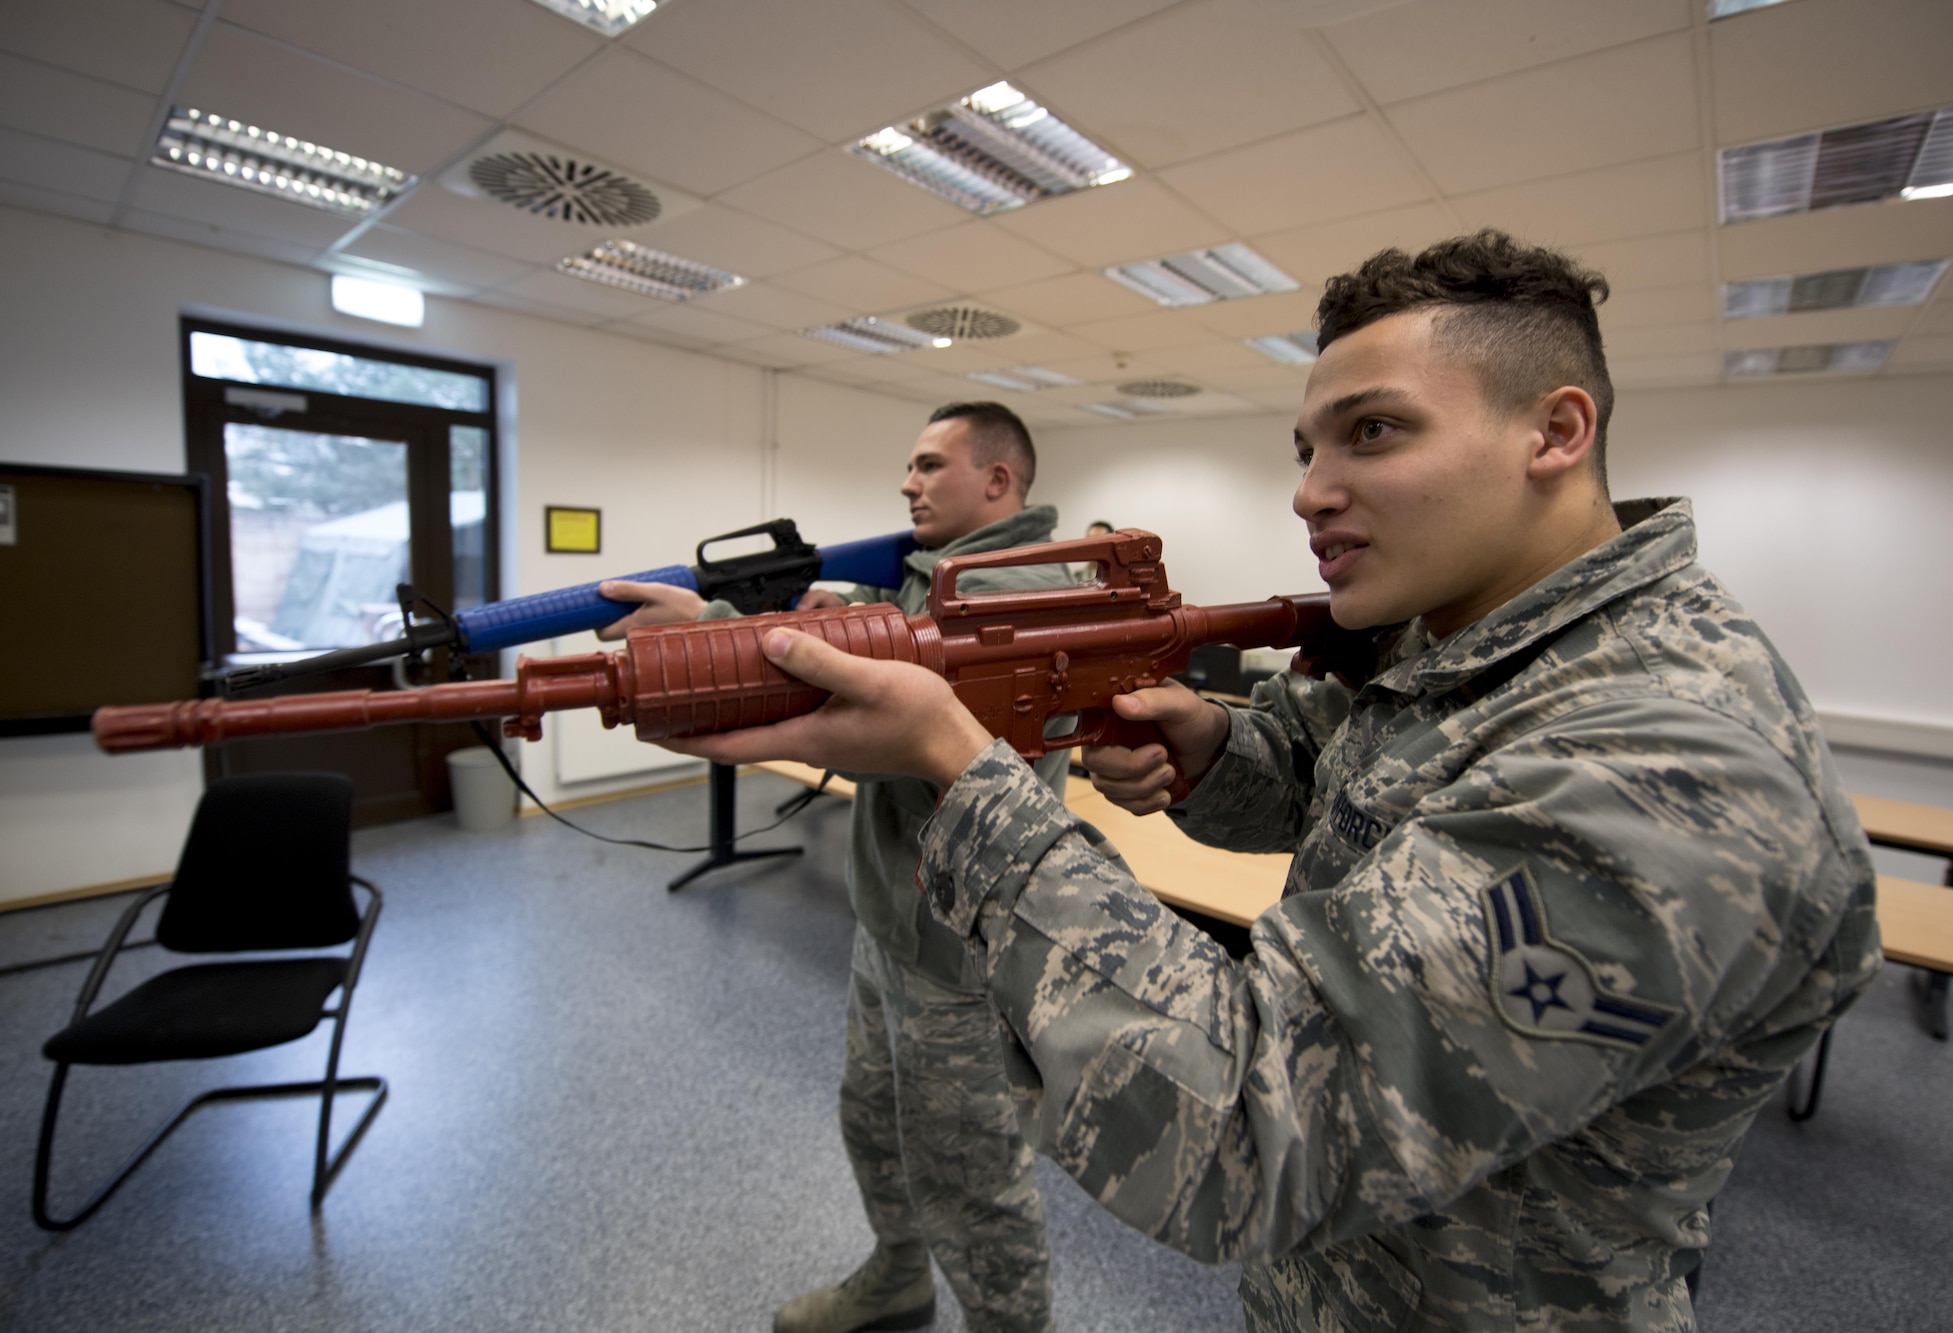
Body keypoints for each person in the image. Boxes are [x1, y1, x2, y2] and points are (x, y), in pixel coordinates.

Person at [666, 232, 1883, 1331]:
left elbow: (1246, 1128)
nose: (1307, 490)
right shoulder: (1453, 637)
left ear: (1553, 433)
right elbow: (1336, 771)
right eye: (1305, 448)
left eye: (1373, 430)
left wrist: (959, 770)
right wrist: (1213, 743)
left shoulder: (1666, 757)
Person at [598, 402, 1069, 1333]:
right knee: (876, 1124)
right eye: (910, 465)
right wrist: (757, 618)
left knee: (972, 1178)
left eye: (930, 464)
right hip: (891, 918)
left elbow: (880, 723)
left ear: (999, 482)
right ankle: (898, 1274)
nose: (908, 482)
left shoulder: (1022, 590)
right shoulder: (935, 579)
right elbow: (874, 650)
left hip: (963, 951)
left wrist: (716, 638)